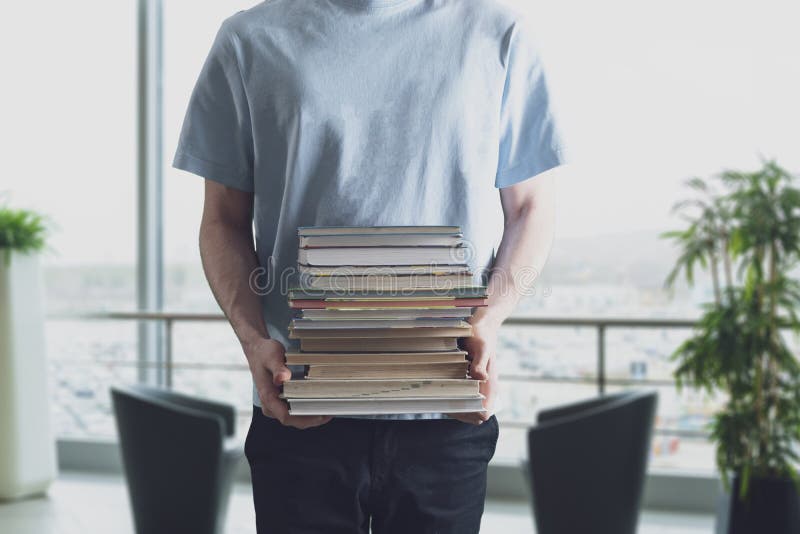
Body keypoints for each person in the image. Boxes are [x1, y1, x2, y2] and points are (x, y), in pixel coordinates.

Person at [173, 0, 566, 532]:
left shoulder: (498, 33)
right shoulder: (249, 40)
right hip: (301, 405)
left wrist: (488, 320)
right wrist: (251, 340)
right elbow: (221, 220)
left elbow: (530, 209)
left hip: (444, 410)